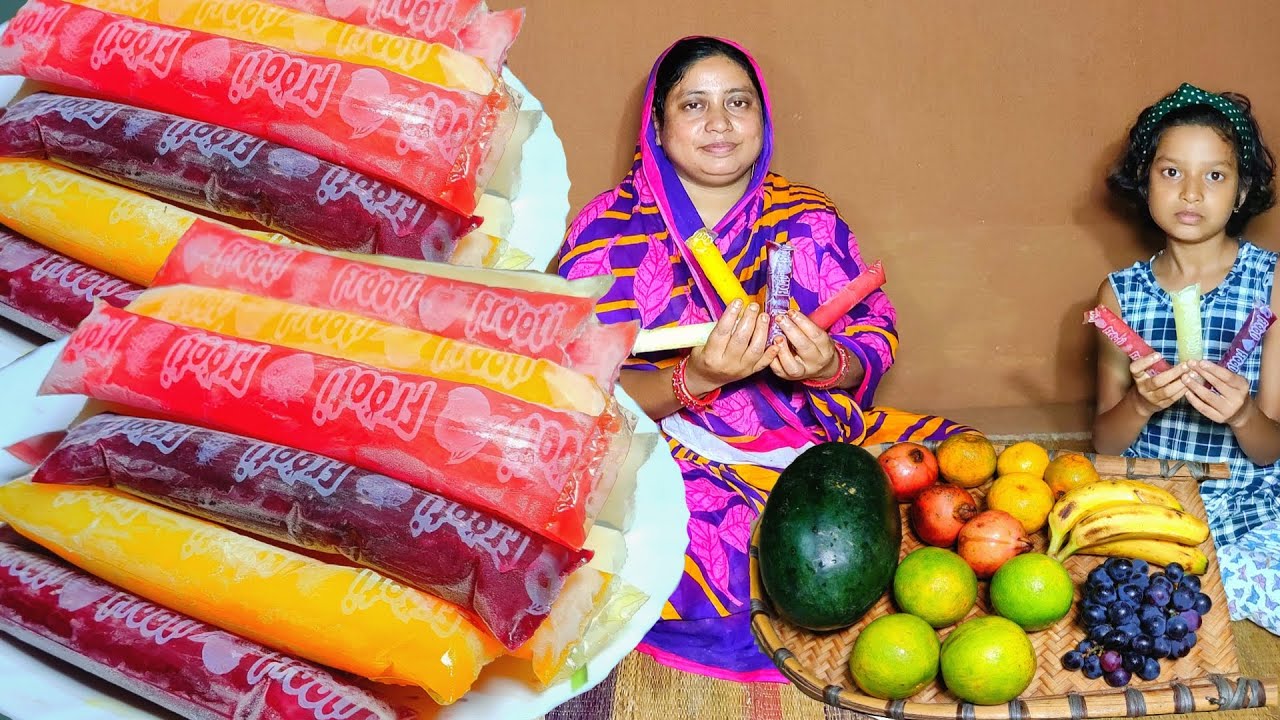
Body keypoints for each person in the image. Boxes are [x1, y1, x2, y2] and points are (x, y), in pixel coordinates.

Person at [555, 36, 971, 681]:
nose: (719, 123)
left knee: (958, 493)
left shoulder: (809, 218)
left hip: (811, 445)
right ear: (658, 128)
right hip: (672, 453)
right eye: (693, 105)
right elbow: (578, 396)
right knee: (694, 556)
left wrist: (831, 364)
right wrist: (698, 379)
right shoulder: (607, 230)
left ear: (762, 118)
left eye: (738, 102)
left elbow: (873, 338)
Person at [1093, 83, 1280, 635]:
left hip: (1247, 496)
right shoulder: (1118, 295)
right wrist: (1139, 402)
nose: (1192, 193)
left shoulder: (1270, 283)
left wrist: (1243, 415)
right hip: (1155, 497)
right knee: (1120, 600)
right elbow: (1105, 442)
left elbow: (1272, 450)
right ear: (1145, 183)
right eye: (1171, 172)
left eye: (1215, 176)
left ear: (1242, 191)